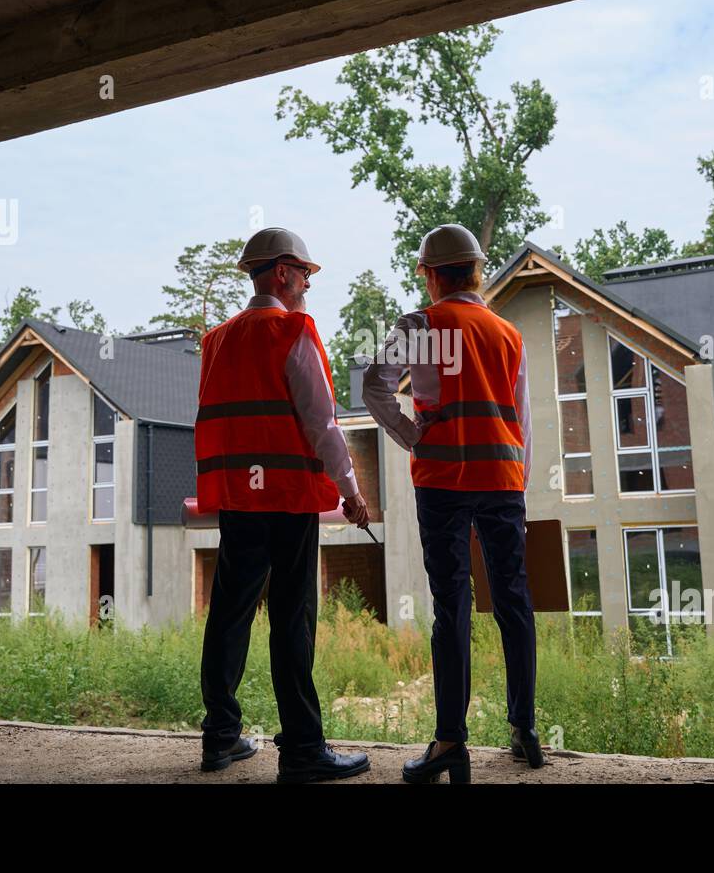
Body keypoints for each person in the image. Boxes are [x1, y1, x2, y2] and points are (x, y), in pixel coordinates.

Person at [362, 223, 542, 785]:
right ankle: (525, 731)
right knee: (513, 596)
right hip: (502, 479)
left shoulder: (420, 326)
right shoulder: (508, 333)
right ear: (477, 270)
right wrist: (519, 483)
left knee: (451, 604)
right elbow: (523, 420)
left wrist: (414, 433)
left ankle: (450, 742)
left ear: (430, 273)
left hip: (441, 479)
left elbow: (373, 387)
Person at [195, 226, 371, 783]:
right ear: (283, 273)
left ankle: (220, 737)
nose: (307, 287)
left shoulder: (217, 340)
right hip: (289, 498)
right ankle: (301, 750)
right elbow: (321, 422)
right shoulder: (292, 331)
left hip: (239, 501)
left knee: (229, 611)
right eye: (305, 275)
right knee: (292, 618)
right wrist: (351, 490)